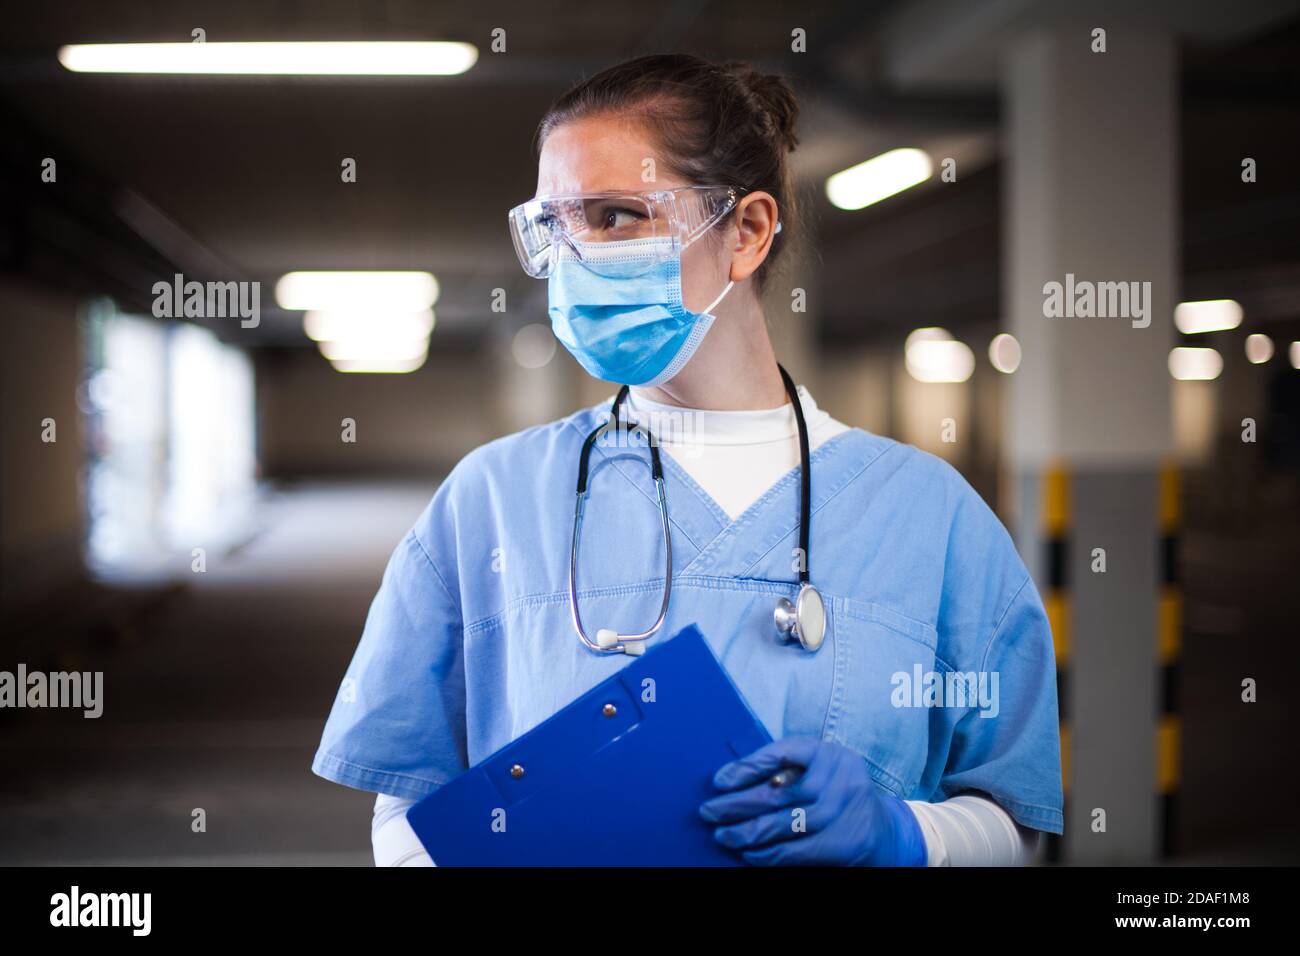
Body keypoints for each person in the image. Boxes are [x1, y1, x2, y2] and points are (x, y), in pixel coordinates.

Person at [313, 53, 1063, 867]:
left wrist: (900, 835)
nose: (577, 257)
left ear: (746, 232)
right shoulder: (491, 501)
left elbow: (1013, 821)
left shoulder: (928, 517)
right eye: (555, 225)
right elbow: (408, 809)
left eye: (617, 216)